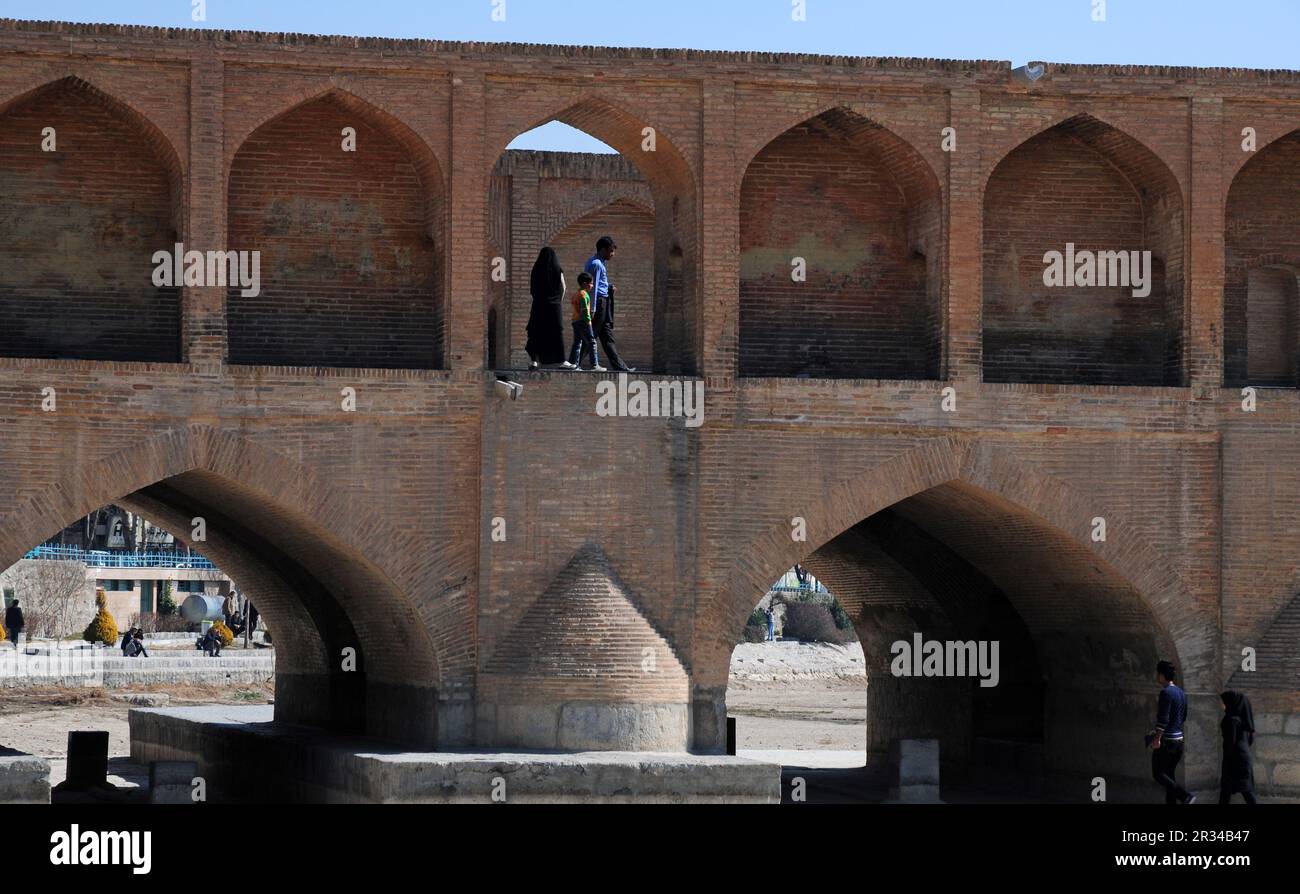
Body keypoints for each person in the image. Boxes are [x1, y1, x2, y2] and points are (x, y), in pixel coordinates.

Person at [585, 236, 634, 373]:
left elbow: (600, 284)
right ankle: (574, 362)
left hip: (603, 302)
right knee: (591, 335)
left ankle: (620, 367)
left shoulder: (600, 263)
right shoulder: (596, 264)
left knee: (607, 337)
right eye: (611, 251)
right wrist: (593, 308)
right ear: (603, 249)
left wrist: (608, 287)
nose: (612, 254)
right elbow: (593, 288)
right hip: (599, 303)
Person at [1149, 659, 1195, 804]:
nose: (1157, 676)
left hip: (1167, 743)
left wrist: (1157, 739)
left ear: (1162, 675)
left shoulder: (1166, 693)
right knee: (1169, 775)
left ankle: (1185, 796)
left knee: (1158, 774)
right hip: (1178, 742)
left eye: (1158, 674)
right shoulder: (1181, 693)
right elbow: (1184, 715)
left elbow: (1163, 719)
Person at [525, 247, 574, 369]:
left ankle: (534, 361)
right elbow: (563, 286)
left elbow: (532, 289)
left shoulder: (536, 269)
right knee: (557, 332)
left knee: (536, 332)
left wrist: (539, 298)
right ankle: (561, 361)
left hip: (538, 305)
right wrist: (557, 301)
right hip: (554, 306)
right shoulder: (557, 269)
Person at [1219, 690, 1257, 804]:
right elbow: (1250, 740)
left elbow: (1230, 742)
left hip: (1235, 760)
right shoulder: (1242, 720)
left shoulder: (1231, 720)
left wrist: (1228, 761)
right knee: (1232, 790)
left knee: (1245, 791)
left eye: (1223, 702)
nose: (1221, 704)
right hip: (1243, 758)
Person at [567, 271, 604, 371]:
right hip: (583, 321)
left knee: (577, 343)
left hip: (575, 321)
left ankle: (572, 365)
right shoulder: (584, 295)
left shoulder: (576, 294)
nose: (592, 285)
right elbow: (584, 310)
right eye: (591, 283)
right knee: (592, 342)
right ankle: (594, 365)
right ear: (584, 284)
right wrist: (588, 321)